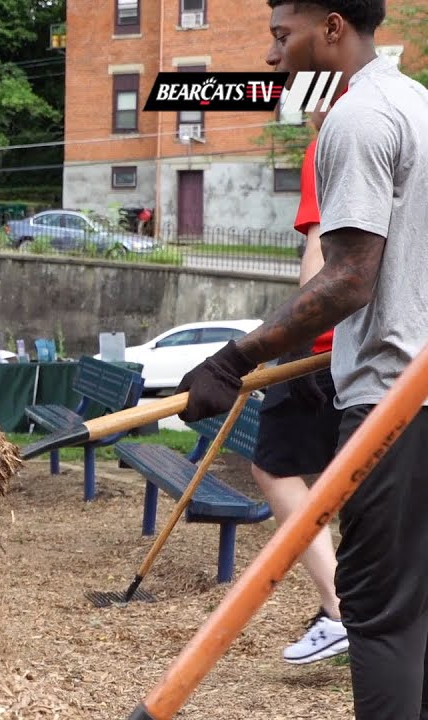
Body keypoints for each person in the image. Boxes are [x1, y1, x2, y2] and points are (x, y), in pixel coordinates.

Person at [180, 2, 428, 715]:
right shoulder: (416, 103)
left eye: (280, 36)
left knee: (377, 614)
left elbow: (350, 275)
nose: (269, 55)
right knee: (415, 610)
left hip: (391, 408)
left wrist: (232, 359)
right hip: (415, 389)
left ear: (332, 27)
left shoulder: (357, 118)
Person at [250, 107, 348, 665]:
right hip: (385, 339)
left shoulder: (331, 139)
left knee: (274, 464)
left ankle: (340, 610)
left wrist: (302, 338)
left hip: (327, 341)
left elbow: (320, 246)